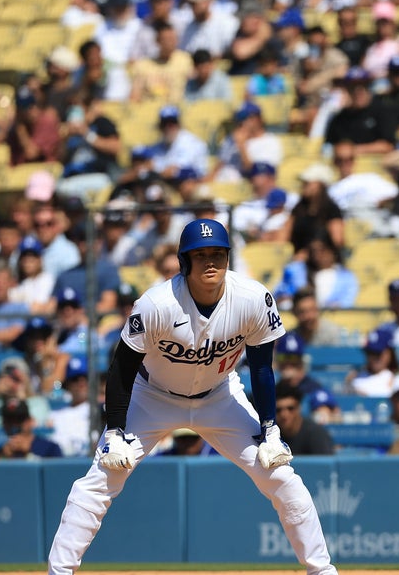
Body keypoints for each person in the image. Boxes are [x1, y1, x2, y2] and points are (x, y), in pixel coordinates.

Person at [45, 219, 338, 575]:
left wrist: (270, 427)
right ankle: (59, 572)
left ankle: (322, 571)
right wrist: (114, 432)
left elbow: (262, 368)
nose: (210, 262)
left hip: (219, 396)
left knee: (279, 476)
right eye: (200, 256)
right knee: (101, 479)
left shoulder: (252, 298)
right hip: (152, 395)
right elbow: (121, 368)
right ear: (185, 261)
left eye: (217, 253)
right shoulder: (156, 304)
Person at [0, 397, 64, 459]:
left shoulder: (50, 448)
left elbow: (59, 474)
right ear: (4, 423)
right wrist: (3, 457)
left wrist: (29, 454)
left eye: (19, 419)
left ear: (30, 421)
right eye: (9, 421)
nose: (14, 425)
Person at [274, 381, 335, 456]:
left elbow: (325, 466)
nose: (284, 414)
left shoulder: (316, 434)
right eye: (278, 410)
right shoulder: (270, 435)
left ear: (299, 408)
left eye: (290, 408)